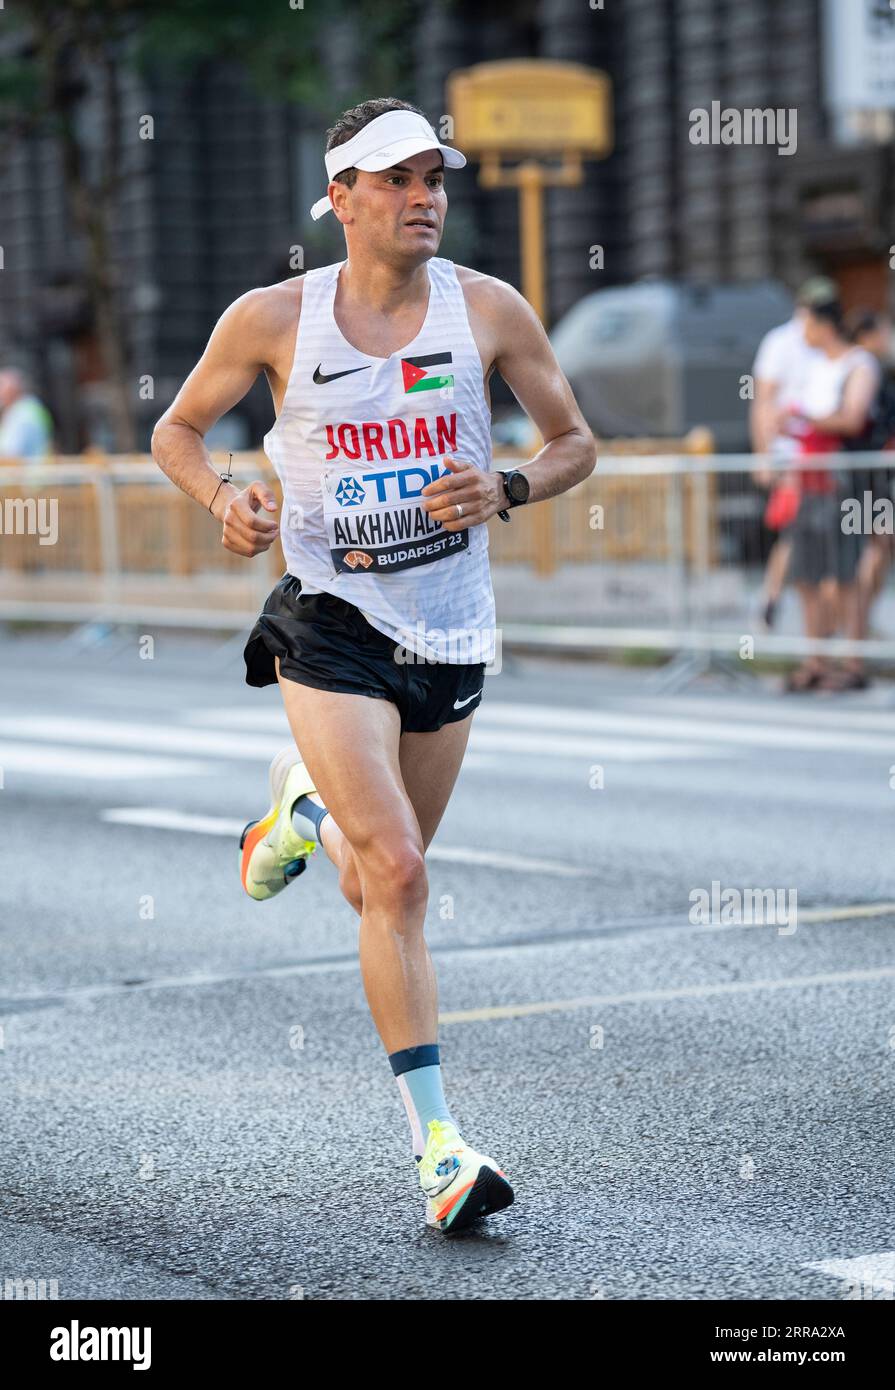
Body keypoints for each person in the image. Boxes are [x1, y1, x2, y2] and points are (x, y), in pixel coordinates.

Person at [152, 98, 597, 1234]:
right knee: (399, 874)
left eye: (433, 176)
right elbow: (177, 428)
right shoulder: (271, 320)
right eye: (395, 179)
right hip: (329, 620)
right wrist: (224, 499)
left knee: (364, 884)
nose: (423, 195)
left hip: (448, 630)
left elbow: (574, 441)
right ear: (340, 196)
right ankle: (440, 1150)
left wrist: (508, 487)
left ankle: (296, 812)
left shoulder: (487, 309)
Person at [777, 295, 879, 691]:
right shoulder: (814, 366)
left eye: (806, 323)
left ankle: (854, 662)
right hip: (808, 478)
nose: (801, 332)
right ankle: (816, 658)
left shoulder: (858, 364)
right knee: (807, 572)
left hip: (842, 480)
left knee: (845, 573)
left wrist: (806, 419)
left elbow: (852, 418)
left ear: (825, 325)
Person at [750, 278, 835, 630]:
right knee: (796, 530)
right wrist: (764, 454)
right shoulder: (780, 342)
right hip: (791, 453)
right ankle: (773, 599)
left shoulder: (826, 341)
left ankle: (815, 616)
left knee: (815, 533)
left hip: (821, 451)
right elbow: (763, 402)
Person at [842, 310, 895, 680]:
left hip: (873, 477)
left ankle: (857, 639)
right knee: (875, 551)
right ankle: (854, 647)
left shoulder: (867, 367)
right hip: (873, 478)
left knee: (879, 551)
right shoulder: (862, 366)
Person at [0, 367, 53, 461]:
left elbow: (9, 455)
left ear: (12, 390)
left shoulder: (20, 414)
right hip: (36, 469)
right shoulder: (33, 406)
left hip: (24, 473)